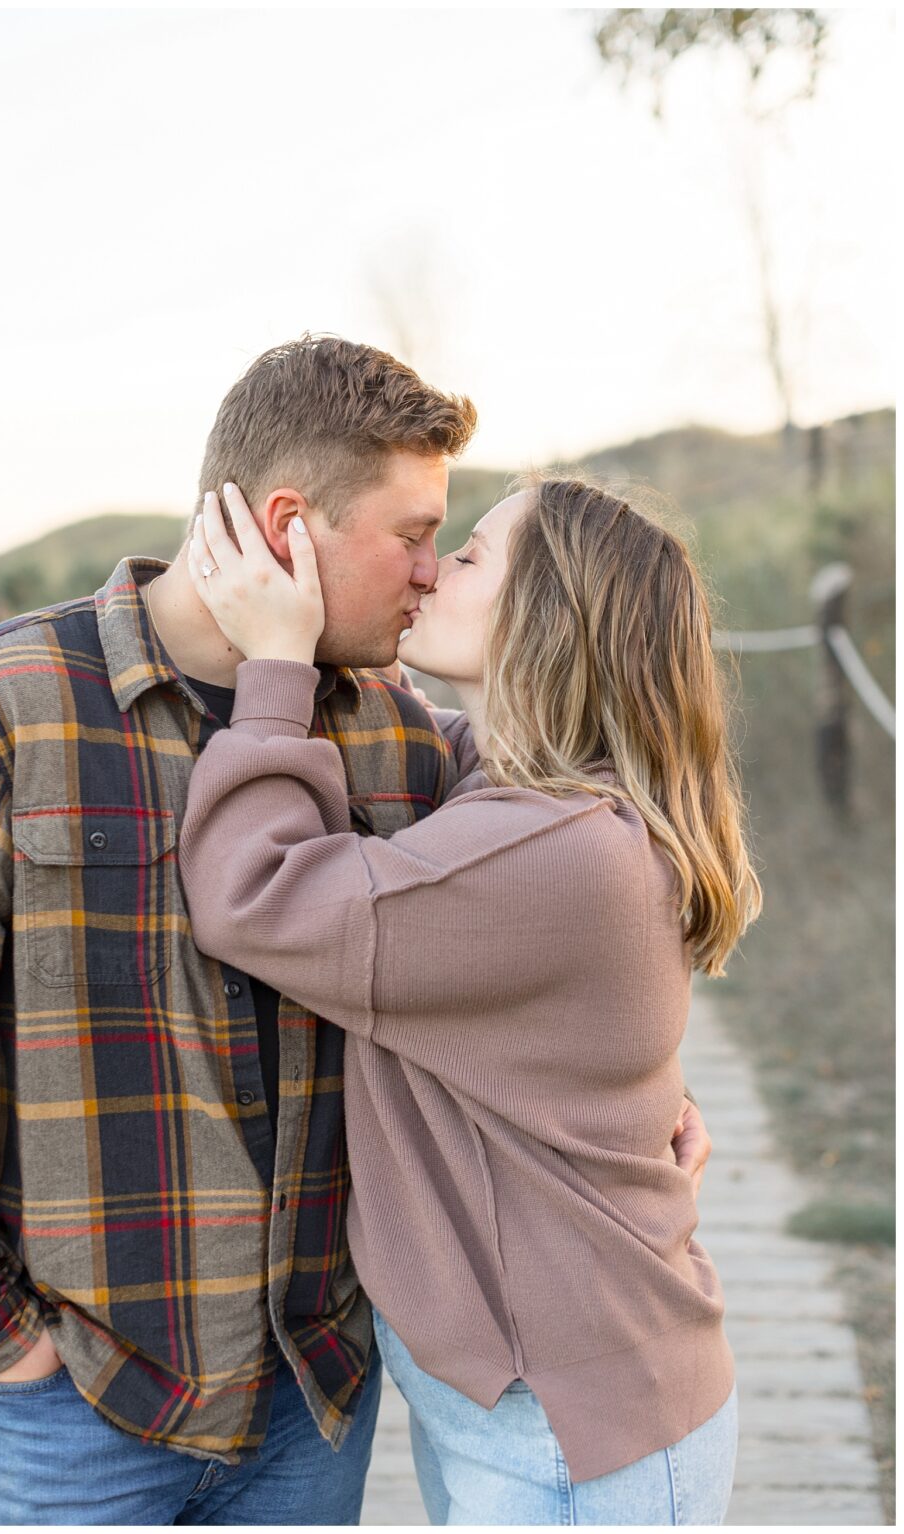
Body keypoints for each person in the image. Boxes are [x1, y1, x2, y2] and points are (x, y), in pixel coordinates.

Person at [0, 336, 714, 1526]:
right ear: (288, 528)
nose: (431, 573)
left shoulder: (404, 733)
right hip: (68, 1402)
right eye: (414, 535)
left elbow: (577, 884)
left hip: (310, 1398)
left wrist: (639, 1100)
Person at [175, 475, 756, 1523]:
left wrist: (272, 667)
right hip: (551, 1399)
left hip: (570, 1435)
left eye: (475, 554)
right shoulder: (549, 801)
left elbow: (253, 896)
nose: (435, 566)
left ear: (546, 620)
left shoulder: (544, 848)